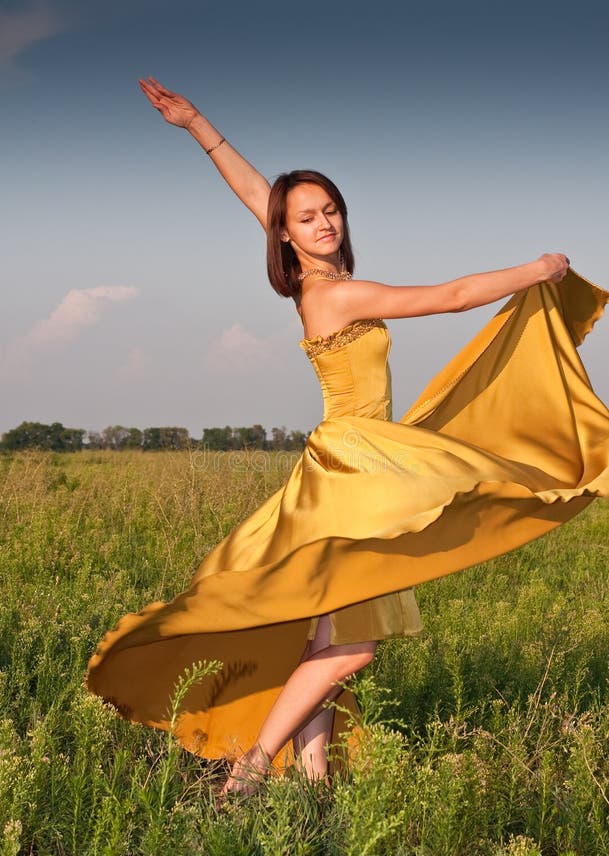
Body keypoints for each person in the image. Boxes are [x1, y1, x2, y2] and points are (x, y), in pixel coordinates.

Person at [87, 78, 609, 796]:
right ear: (286, 232)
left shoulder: (315, 280)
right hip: (353, 466)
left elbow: (255, 196)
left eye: (330, 209)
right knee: (353, 645)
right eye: (307, 216)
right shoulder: (334, 294)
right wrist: (538, 269)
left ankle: (312, 777)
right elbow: (451, 296)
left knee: (328, 640)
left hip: (351, 462)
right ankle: (246, 771)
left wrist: (197, 125)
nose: (323, 221)